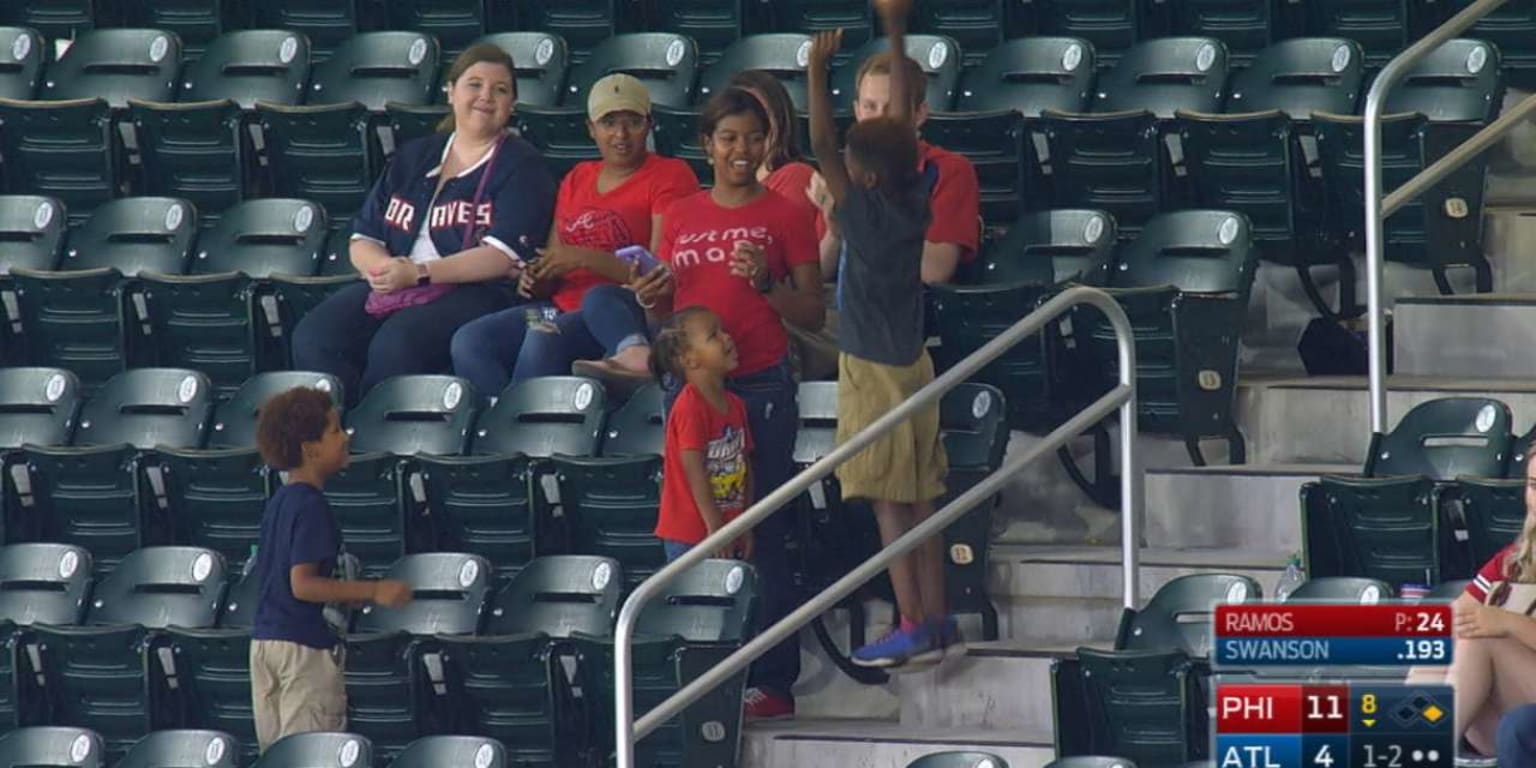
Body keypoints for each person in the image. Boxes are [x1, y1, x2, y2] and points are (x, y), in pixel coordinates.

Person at [630, 87, 824, 720]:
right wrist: (649, 297)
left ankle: (772, 679)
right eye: (729, 137)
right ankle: (707, 672)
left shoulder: (787, 212)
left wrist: (766, 285)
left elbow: (813, 310)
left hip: (761, 385)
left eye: (753, 137)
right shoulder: (681, 214)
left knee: (759, 534)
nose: (742, 149)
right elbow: (668, 319)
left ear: (769, 143)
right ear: (706, 145)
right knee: (695, 528)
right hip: (689, 391)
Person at [805, 1, 954, 669]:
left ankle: (914, 619)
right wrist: (896, 30)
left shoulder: (861, 215)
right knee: (920, 496)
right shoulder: (915, 195)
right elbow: (897, 128)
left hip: (869, 369)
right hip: (915, 364)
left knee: (889, 506)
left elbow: (816, 142)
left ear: (861, 177)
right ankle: (938, 614)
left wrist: (814, 72)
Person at [292, 44, 557, 404]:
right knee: (315, 335)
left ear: (512, 104)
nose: (486, 97)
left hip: (478, 291)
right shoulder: (415, 156)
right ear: (451, 91)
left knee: (398, 343)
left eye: (500, 90)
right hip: (397, 281)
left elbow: (499, 258)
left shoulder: (523, 166)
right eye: (474, 85)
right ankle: (338, 433)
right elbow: (362, 239)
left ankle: (376, 443)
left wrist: (418, 272)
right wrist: (386, 270)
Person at [452, 74, 699, 395]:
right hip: (560, 305)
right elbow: (555, 258)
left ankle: (521, 430)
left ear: (649, 125)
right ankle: (501, 419)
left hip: (621, 309)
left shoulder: (670, 175)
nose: (621, 134)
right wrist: (537, 277)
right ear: (591, 129)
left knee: (544, 335)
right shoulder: (577, 177)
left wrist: (583, 258)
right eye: (609, 123)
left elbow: (657, 276)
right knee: (471, 340)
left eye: (633, 122)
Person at [248, 387, 413, 752]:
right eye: (335, 431)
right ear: (311, 448)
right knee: (312, 754)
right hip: (303, 651)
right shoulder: (311, 506)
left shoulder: (280, 502)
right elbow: (303, 585)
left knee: (279, 757)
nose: (346, 437)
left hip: (266, 643)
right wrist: (373, 590)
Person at [1429, 454, 1536, 758]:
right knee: (1442, 644)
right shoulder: (1514, 558)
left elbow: (1487, 625)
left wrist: (1507, 623)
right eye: (1533, 486)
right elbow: (1457, 617)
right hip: (1509, 717)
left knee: (1481, 639)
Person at [652, 307, 754, 563]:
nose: (727, 337)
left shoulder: (736, 404)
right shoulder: (690, 406)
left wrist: (747, 522)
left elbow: (745, 465)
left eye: (723, 331)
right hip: (691, 535)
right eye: (714, 335)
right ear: (689, 359)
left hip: (729, 527)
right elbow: (694, 470)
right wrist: (714, 526)